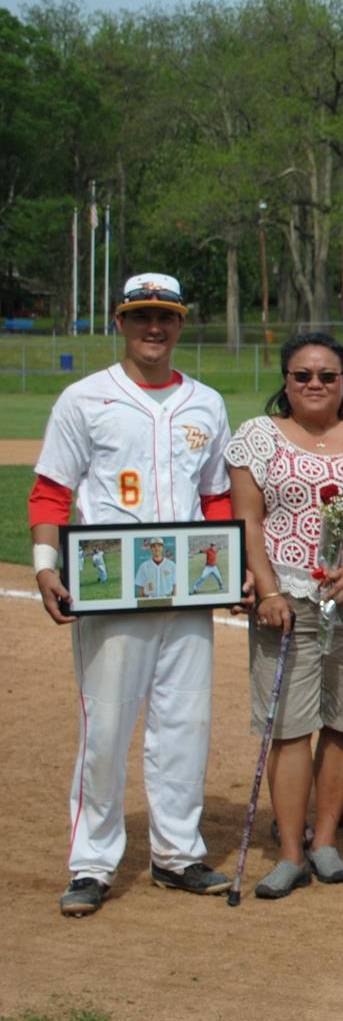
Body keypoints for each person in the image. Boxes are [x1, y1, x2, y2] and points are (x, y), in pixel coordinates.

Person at [31, 272, 236, 917]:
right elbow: (50, 491)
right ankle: (91, 864)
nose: (155, 327)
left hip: (186, 588)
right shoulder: (84, 398)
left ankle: (177, 854)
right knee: (108, 725)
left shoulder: (206, 401)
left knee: (185, 725)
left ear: (181, 323)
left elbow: (217, 496)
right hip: (110, 584)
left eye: (167, 316)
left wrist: (233, 564)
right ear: (120, 321)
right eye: (142, 314)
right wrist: (44, 566)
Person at [227, 332, 343, 899]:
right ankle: (289, 852)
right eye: (303, 375)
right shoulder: (257, 438)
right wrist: (267, 590)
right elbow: (248, 522)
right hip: (288, 603)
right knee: (289, 728)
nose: (314, 385)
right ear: (286, 381)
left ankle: (326, 840)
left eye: (327, 376)